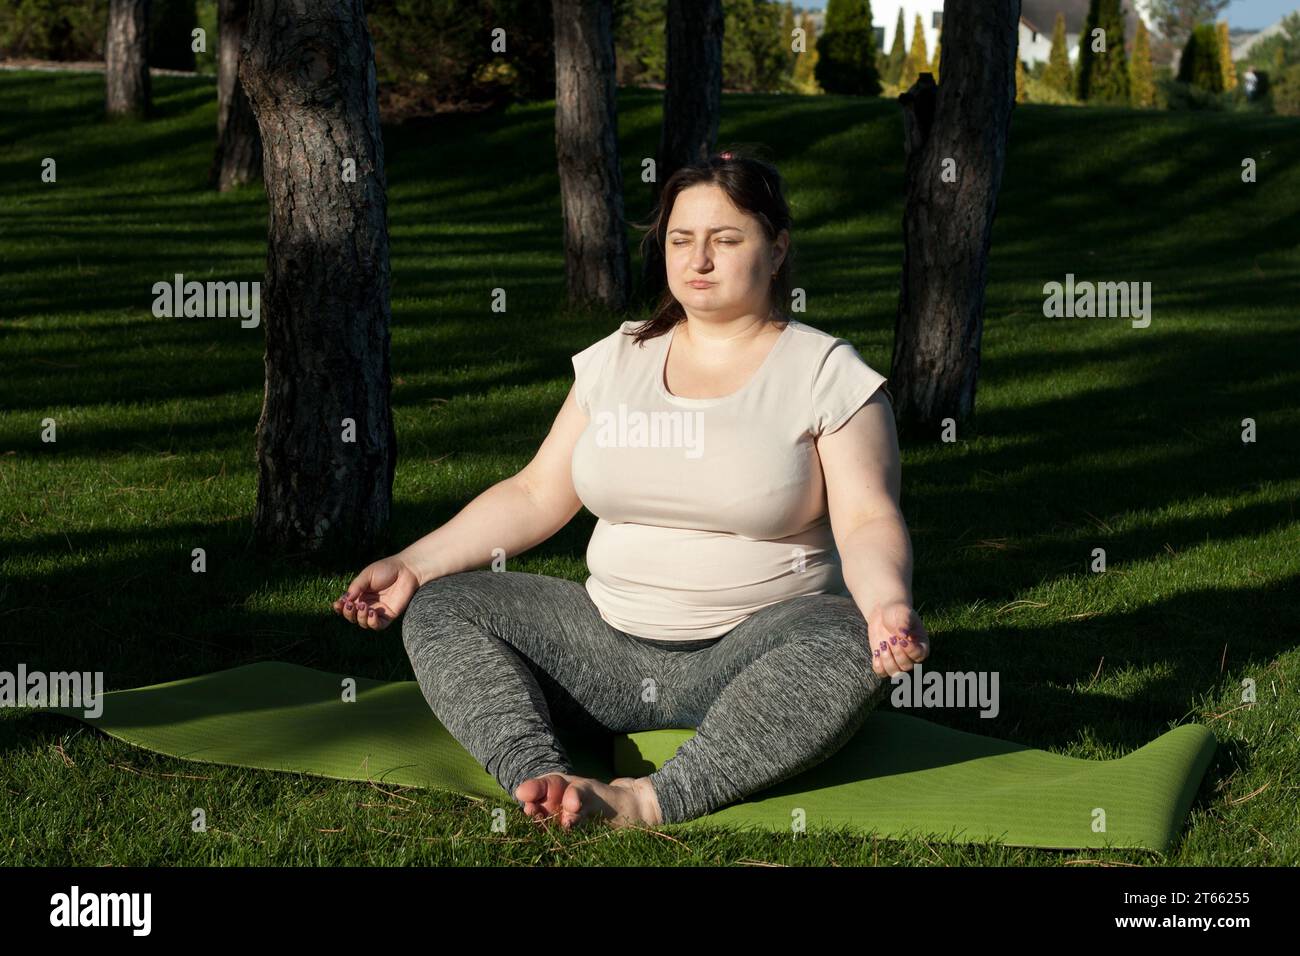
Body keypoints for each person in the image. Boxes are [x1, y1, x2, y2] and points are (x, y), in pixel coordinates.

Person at [332, 148, 931, 832]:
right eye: (681, 240)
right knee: (445, 608)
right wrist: (413, 565)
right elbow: (534, 494)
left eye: (726, 240)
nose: (698, 260)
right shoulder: (618, 359)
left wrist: (887, 606)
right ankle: (539, 776)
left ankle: (647, 801)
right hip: (603, 648)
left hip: (753, 656)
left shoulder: (827, 374)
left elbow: (866, 521)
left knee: (847, 635)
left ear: (777, 248)